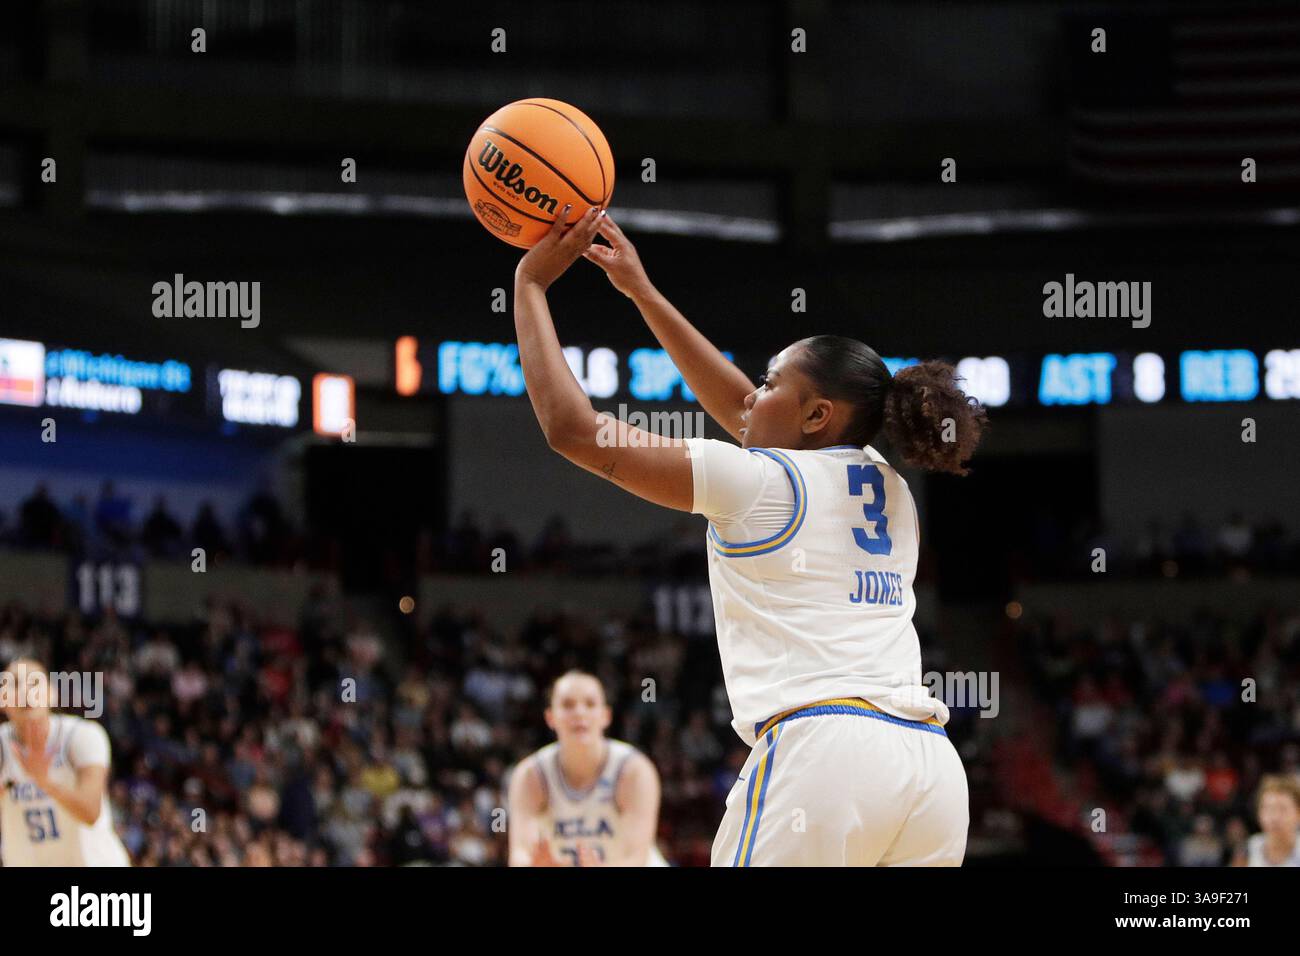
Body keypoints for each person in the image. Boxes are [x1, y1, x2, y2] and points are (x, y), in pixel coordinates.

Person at [510, 206, 986, 866]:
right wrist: (641, 293)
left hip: (825, 756)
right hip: (928, 768)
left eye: (769, 383)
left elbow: (576, 431)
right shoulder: (890, 487)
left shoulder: (761, 484)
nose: (751, 397)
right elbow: (743, 413)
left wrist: (529, 288)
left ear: (817, 414)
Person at [507, 670, 666, 866]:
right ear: (550, 717)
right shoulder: (530, 775)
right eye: (568, 705)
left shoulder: (634, 770)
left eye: (590, 704)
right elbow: (520, 854)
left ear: (606, 716)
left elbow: (635, 858)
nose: (579, 713)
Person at [0, 658, 130, 865]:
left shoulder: (82, 736)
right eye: (15, 684)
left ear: (52, 694)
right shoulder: (2, 746)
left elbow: (90, 811)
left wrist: (43, 781)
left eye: (34, 683)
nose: (26, 691)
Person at [1233, 775, 1300, 866]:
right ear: (1259, 813)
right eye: (1269, 809)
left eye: (1282, 809)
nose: (1275, 818)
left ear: (1298, 813)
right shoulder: (1247, 850)